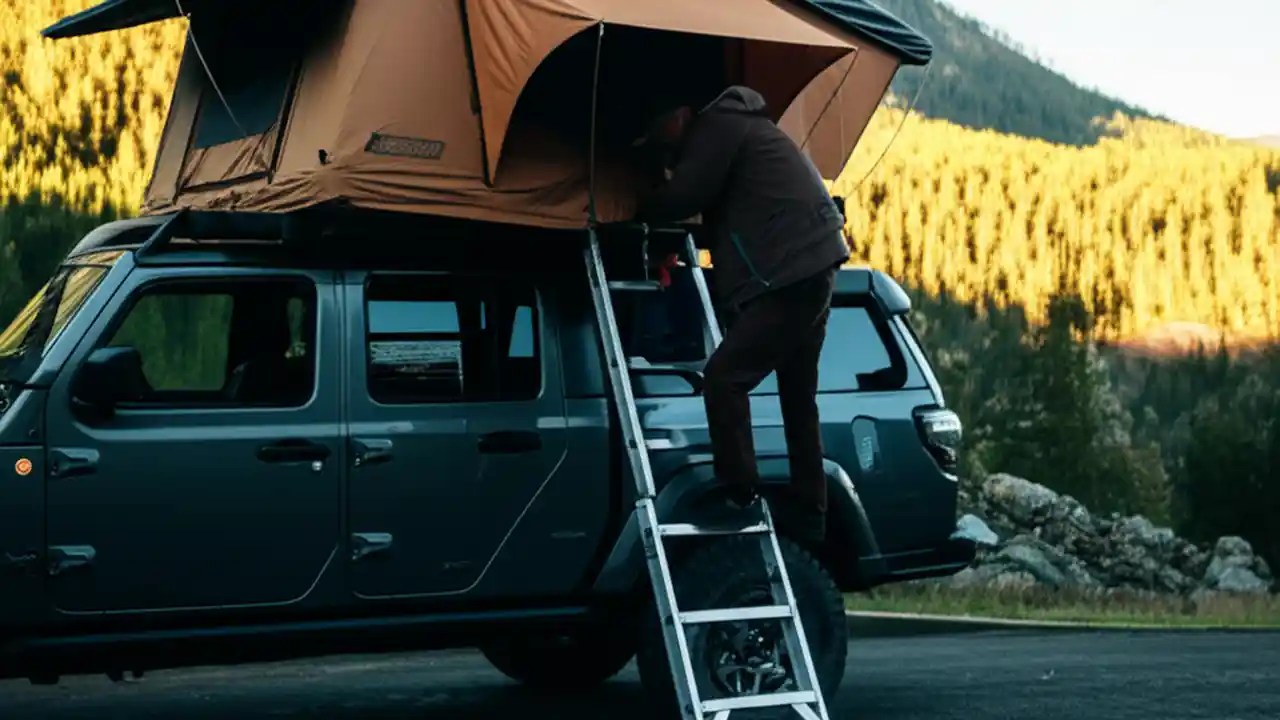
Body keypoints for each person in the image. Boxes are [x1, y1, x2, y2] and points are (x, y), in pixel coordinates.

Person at [632, 85, 850, 543]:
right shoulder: (740, 130)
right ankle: (810, 513)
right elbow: (714, 215)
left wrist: (638, 203)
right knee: (797, 394)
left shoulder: (717, 128)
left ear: (683, 114)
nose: (663, 141)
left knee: (724, 380)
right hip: (814, 264)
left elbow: (683, 198)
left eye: (662, 130)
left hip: (791, 274)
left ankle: (739, 494)